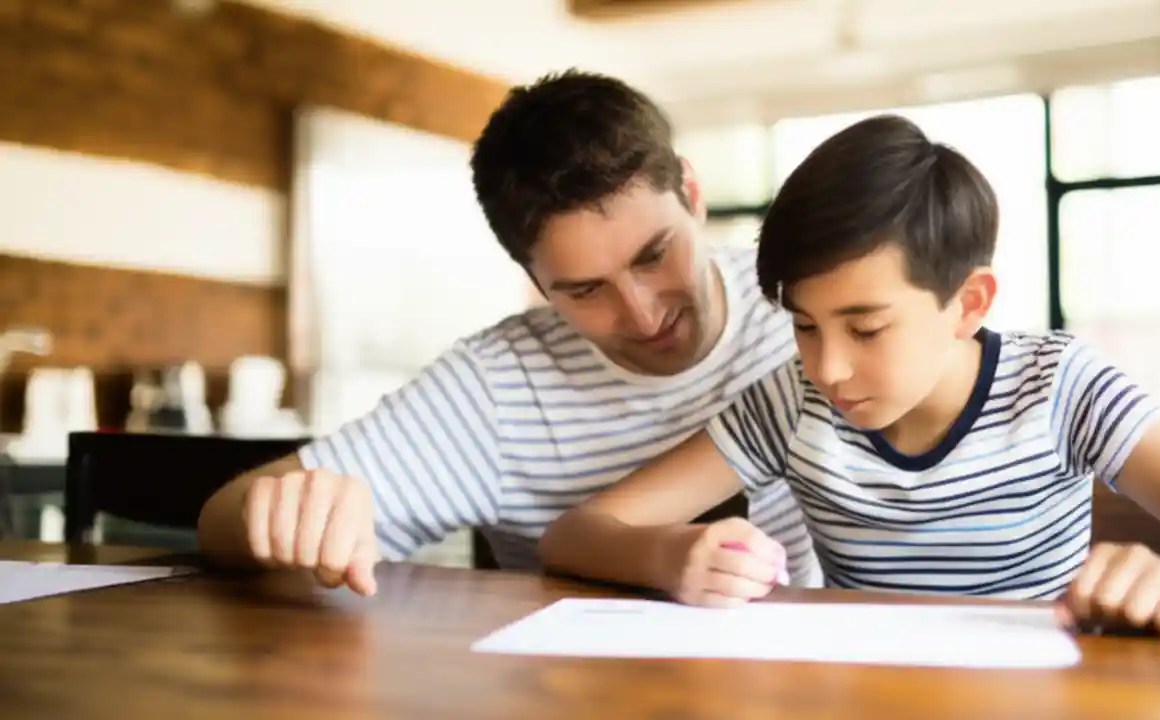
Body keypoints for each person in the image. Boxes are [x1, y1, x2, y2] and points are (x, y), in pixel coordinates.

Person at [539, 114, 1160, 634]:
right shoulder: (790, 406)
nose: (828, 367)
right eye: (803, 326)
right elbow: (575, 534)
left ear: (968, 303)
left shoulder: (1063, 388)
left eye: (866, 328)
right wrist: (666, 554)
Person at [196, 70, 820, 594]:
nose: (642, 313)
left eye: (654, 255)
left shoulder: (806, 310)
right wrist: (288, 511)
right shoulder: (494, 389)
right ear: (532, 278)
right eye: (585, 290)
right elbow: (222, 520)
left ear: (691, 193)